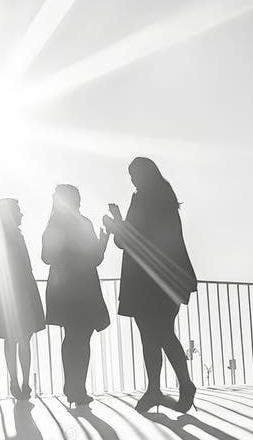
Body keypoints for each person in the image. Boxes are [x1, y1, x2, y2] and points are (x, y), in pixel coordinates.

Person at [103, 157, 197, 413]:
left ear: (143, 175)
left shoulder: (143, 198)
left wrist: (115, 224)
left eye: (133, 174)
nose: (131, 179)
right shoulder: (165, 197)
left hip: (146, 281)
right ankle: (167, 387)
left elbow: (129, 241)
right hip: (168, 278)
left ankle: (169, 386)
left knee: (154, 334)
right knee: (162, 331)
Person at [42, 184, 110, 407]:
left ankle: (74, 386)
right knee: (80, 336)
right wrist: (102, 242)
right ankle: (76, 386)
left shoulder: (55, 224)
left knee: (73, 336)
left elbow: (46, 257)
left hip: (65, 286)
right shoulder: (82, 223)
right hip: (82, 285)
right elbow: (95, 258)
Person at [0, 198, 45, 399]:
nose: (21, 214)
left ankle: (18, 382)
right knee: (21, 339)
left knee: (15, 339)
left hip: (10, 293)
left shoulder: (0, 236)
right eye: (18, 210)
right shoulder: (5, 237)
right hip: (16, 293)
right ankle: (21, 382)